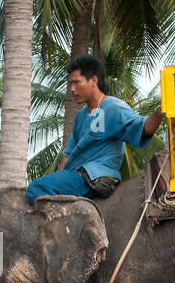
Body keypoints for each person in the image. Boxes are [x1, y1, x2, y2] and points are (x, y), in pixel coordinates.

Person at [25, 54, 165, 202]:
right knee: (46, 184)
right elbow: (68, 155)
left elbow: (144, 128)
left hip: (95, 178)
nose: (72, 89)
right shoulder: (81, 116)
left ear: (94, 81)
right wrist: (57, 178)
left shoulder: (112, 107)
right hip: (77, 177)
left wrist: (157, 114)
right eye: (70, 84)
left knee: (35, 189)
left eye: (77, 83)